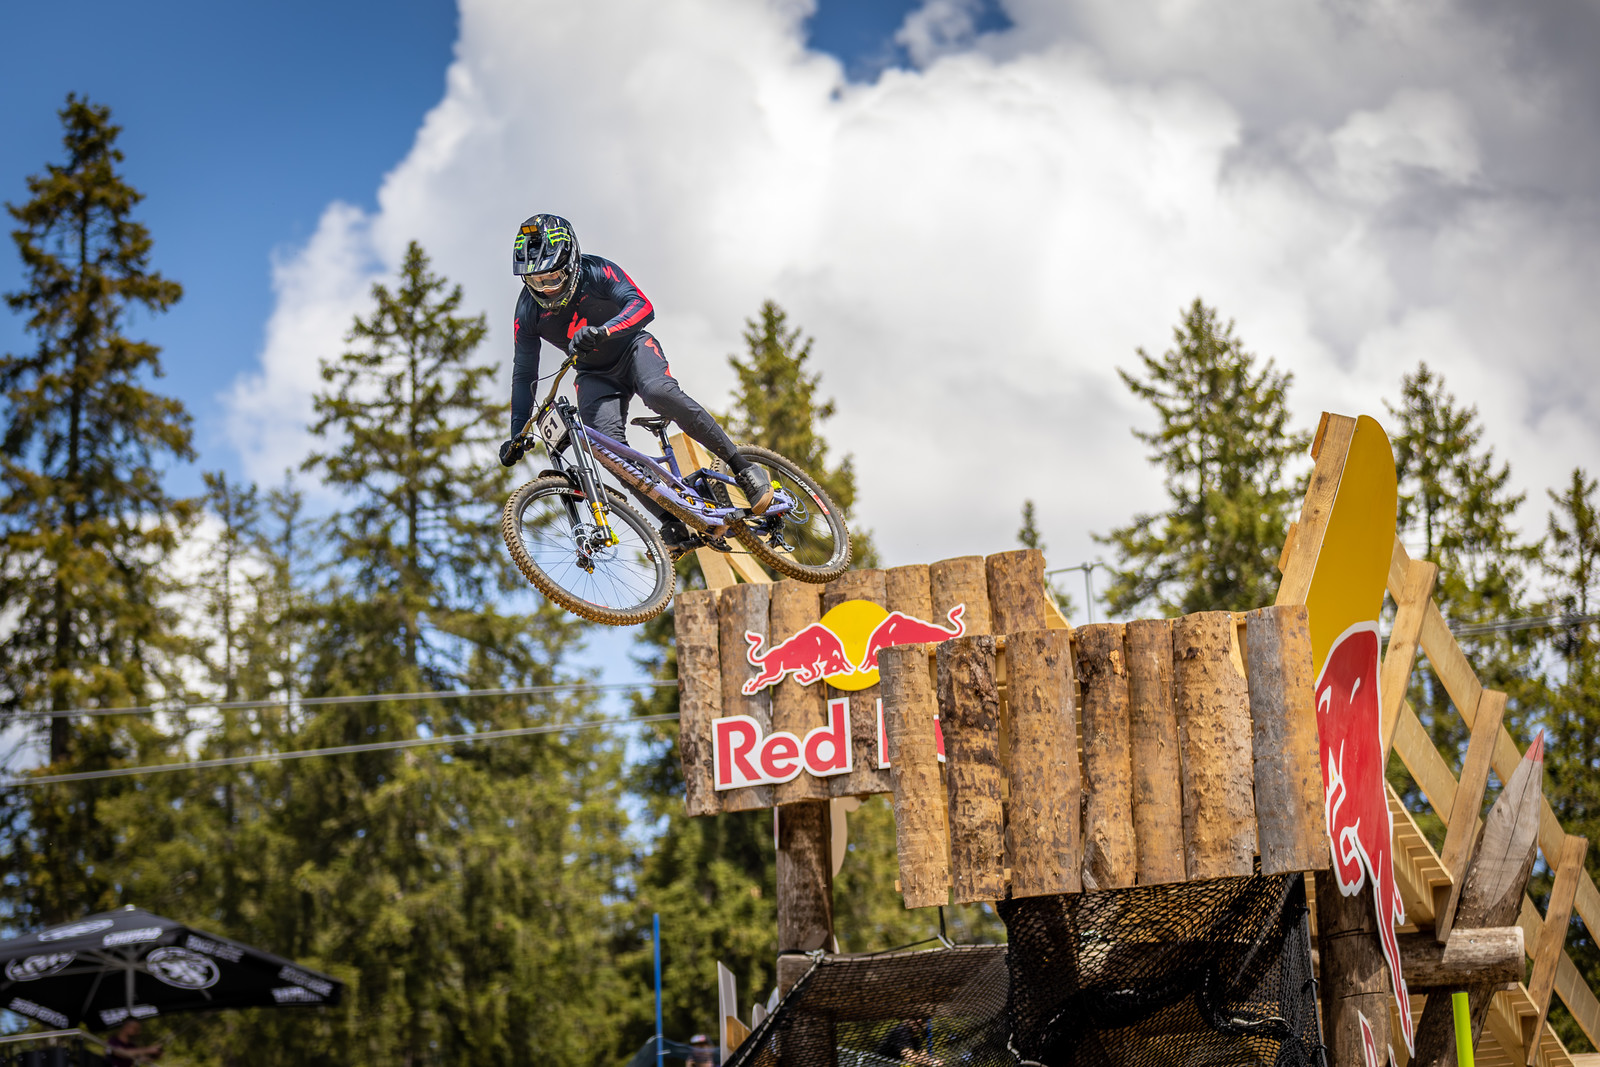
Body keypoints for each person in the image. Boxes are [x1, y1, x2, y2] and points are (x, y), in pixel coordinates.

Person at [499, 214, 772, 550]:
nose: (546, 288)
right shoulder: (527, 311)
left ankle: (743, 467)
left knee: (658, 392)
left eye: (553, 277)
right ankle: (671, 519)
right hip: (594, 374)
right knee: (605, 448)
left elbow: (643, 306)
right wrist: (517, 432)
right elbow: (524, 374)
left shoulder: (597, 271)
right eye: (536, 280)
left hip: (632, 348)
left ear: (570, 265)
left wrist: (604, 331)